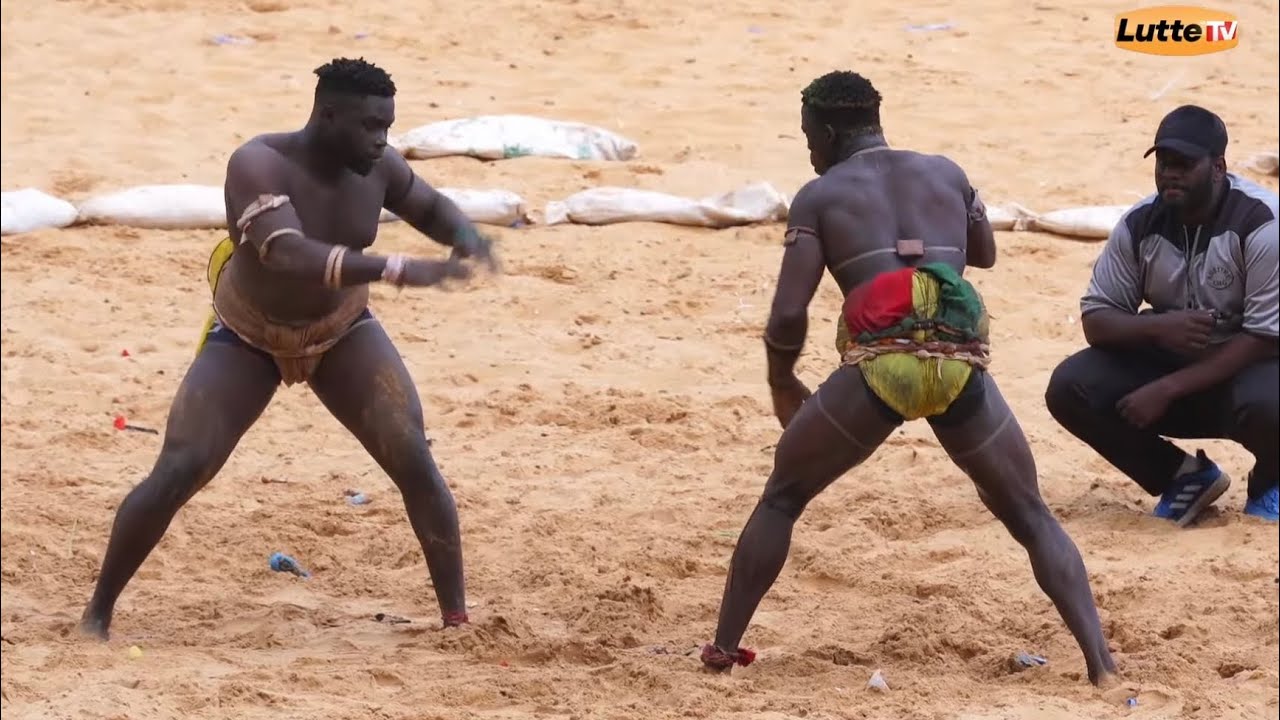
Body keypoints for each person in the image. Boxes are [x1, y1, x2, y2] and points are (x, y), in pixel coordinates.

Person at [700, 70, 1117, 687]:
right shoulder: (946, 173)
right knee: (1030, 514)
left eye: (810, 138)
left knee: (783, 498)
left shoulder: (819, 195)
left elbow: (788, 314)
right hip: (957, 361)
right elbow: (984, 253)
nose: (809, 152)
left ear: (830, 133)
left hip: (881, 364)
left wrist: (782, 382)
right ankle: (1102, 665)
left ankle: (723, 649)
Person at [80, 57, 499, 640]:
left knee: (412, 457)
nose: (381, 141)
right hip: (248, 333)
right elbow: (287, 252)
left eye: (387, 127)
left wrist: (468, 236)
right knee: (180, 467)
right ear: (327, 116)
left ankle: (456, 619)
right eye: (369, 126)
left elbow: (426, 205)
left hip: (342, 329)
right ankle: (97, 613)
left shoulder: (379, 167)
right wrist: (395, 268)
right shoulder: (258, 163)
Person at [1045, 105, 1278, 526]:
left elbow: (1264, 337)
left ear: (1218, 168)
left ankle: (1270, 483)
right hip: (1179, 365)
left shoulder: (1262, 225)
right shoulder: (1139, 223)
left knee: (1271, 401)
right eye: (1164, 162)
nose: (1170, 174)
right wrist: (1157, 326)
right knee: (1070, 387)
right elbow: (1096, 318)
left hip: (1251, 369)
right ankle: (1183, 477)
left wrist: (1168, 388)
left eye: (1184, 164)